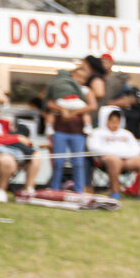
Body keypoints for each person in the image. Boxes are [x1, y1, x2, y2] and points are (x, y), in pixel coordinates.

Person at [45, 60, 94, 193]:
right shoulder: (62, 88)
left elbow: (92, 106)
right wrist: (62, 110)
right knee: (58, 161)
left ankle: (79, 189)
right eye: (77, 76)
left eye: (82, 78)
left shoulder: (86, 91)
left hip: (78, 132)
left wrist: (74, 112)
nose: (79, 80)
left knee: (78, 162)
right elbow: (49, 103)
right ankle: (55, 187)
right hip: (60, 130)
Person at [90, 96, 140, 198]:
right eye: (112, 121)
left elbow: (136, 149)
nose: (115, 124)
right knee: (114, 160)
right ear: (105, 120)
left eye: (117, 121)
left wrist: (123, 155)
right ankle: (115, 191)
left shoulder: (126, 134)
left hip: (127, 160)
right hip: (105, 162)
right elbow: (94, 148)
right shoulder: (97, 133)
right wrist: (116, 154)